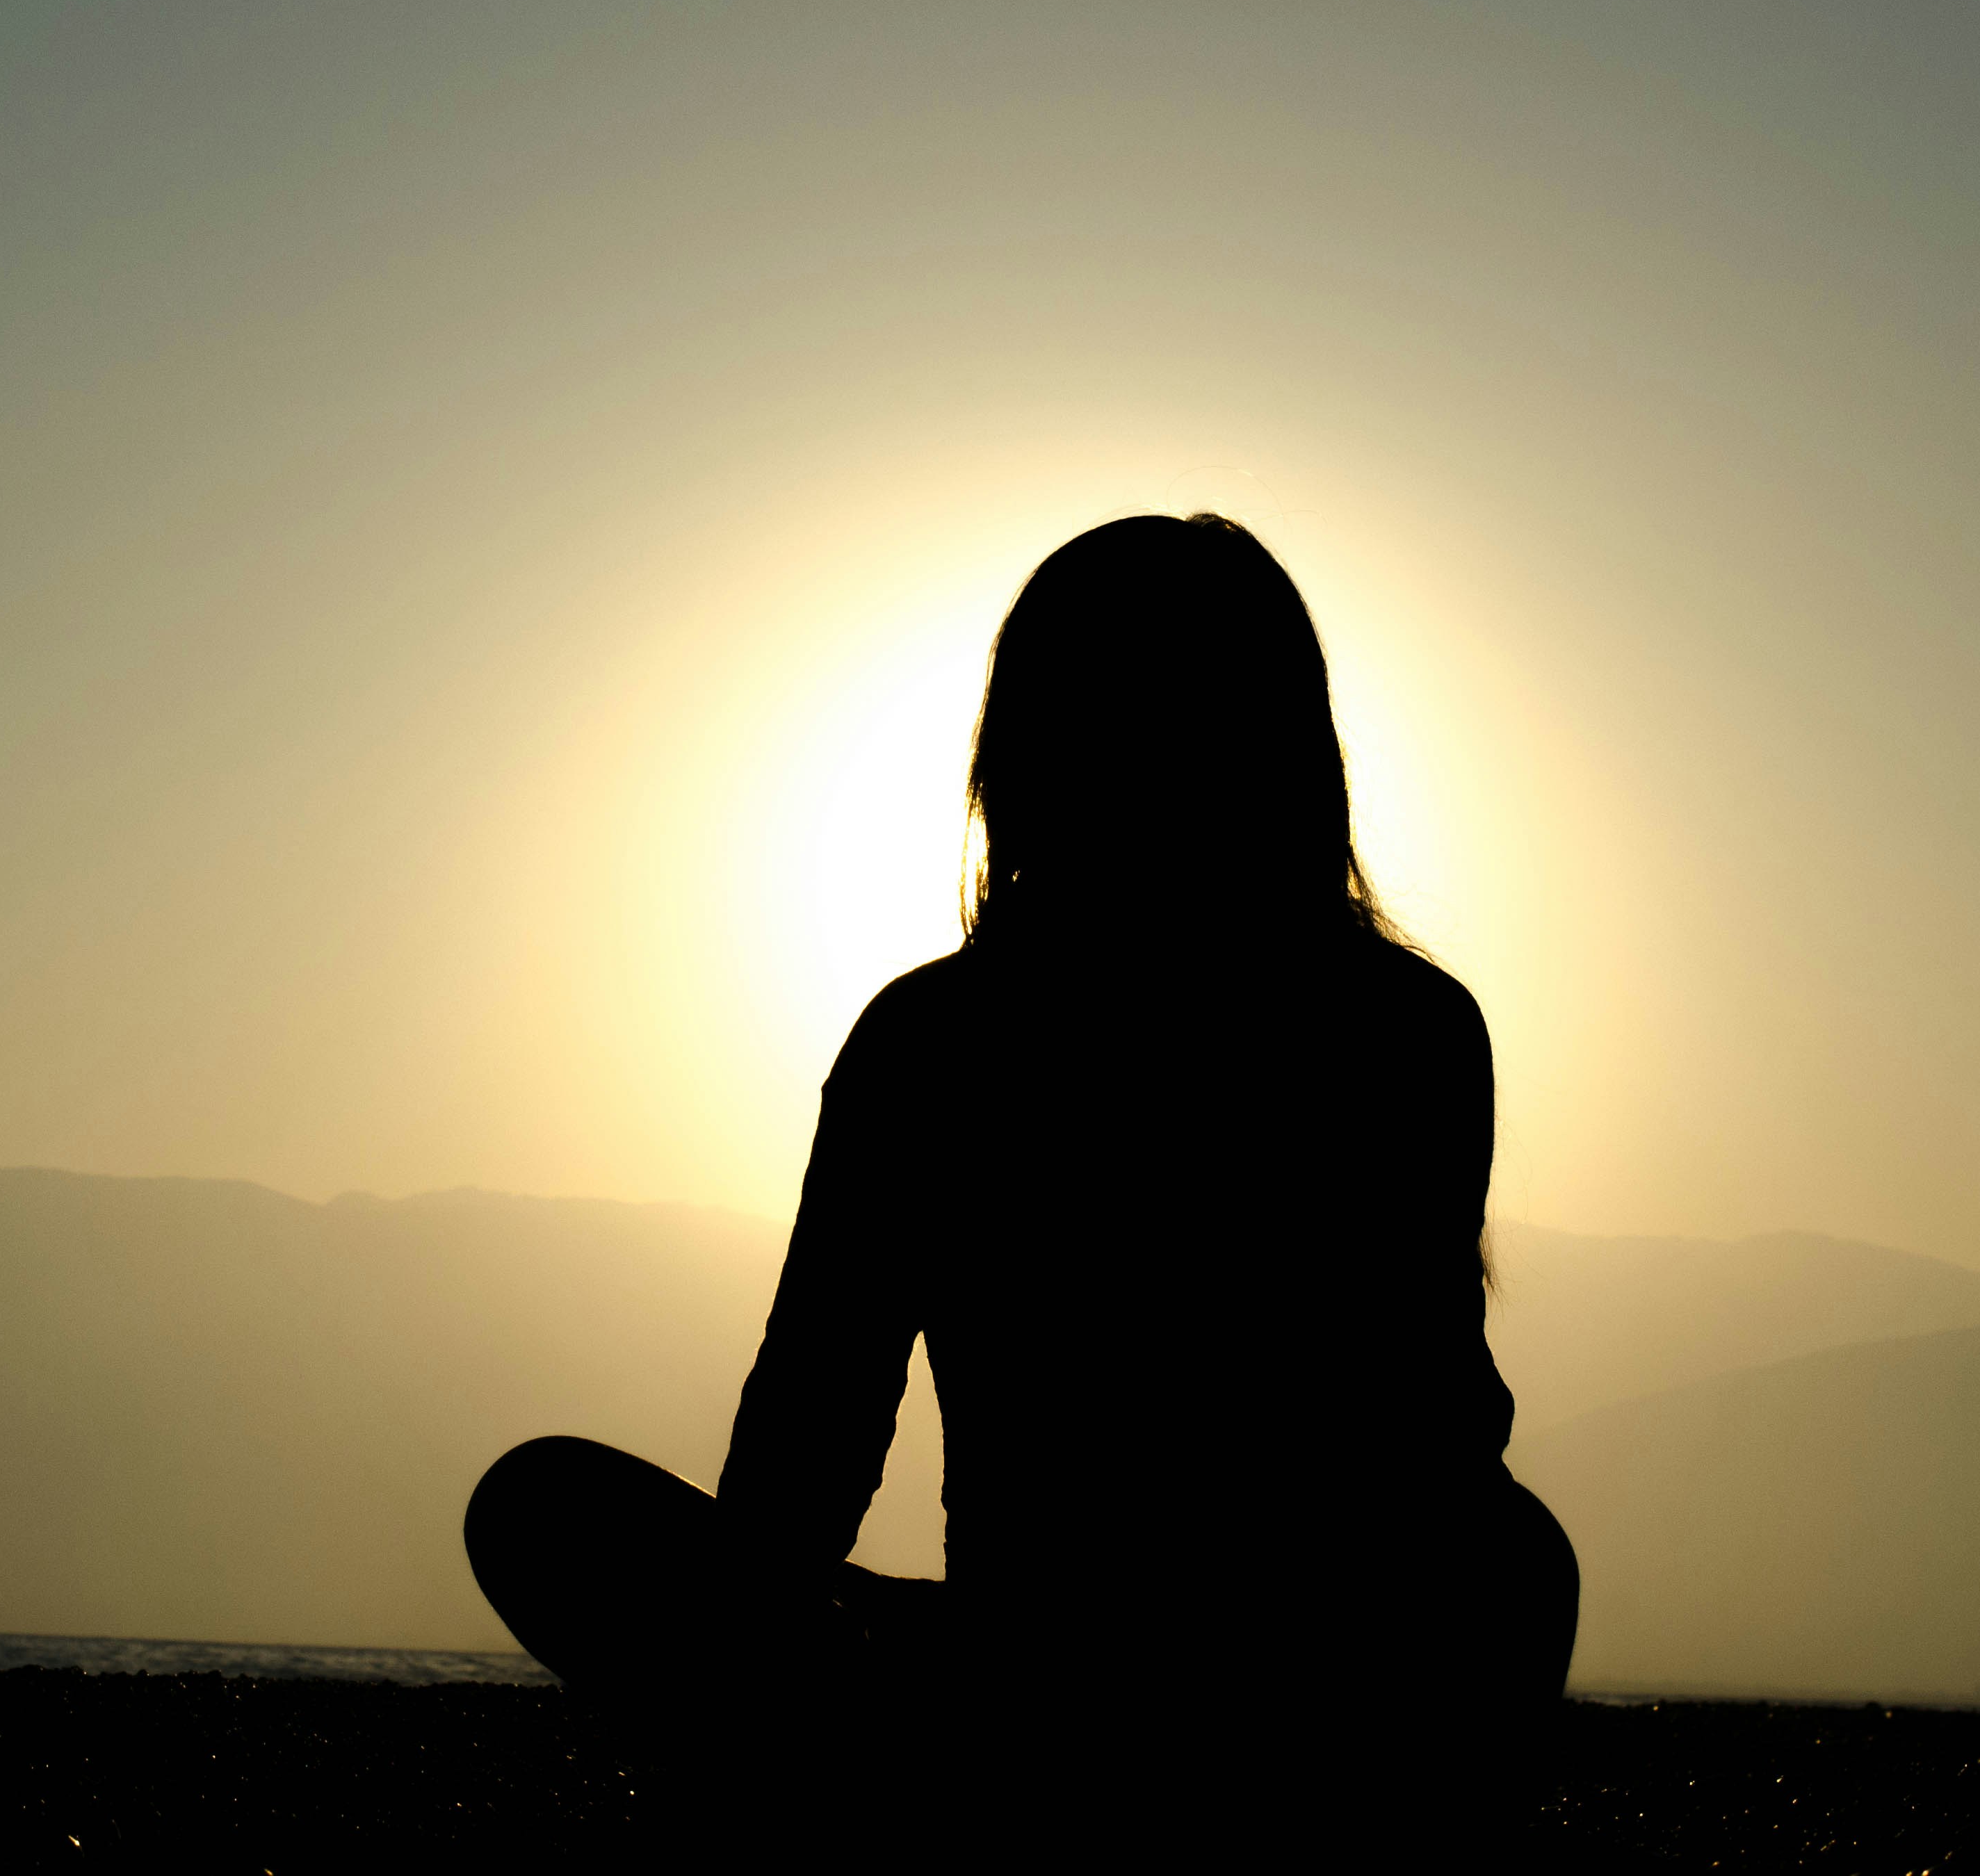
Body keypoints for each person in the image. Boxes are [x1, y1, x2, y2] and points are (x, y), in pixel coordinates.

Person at [466, 513, 1577, 1862]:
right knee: (1514, 1557)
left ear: (1018, 753)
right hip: (1276, 1702)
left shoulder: (934, 1042)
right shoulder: (1407, 1028)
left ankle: (898, 1768)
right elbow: (1437, 1439)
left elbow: (801, 1460)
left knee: (543, 1509)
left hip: (1047, 1703)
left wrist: (759, 1668)